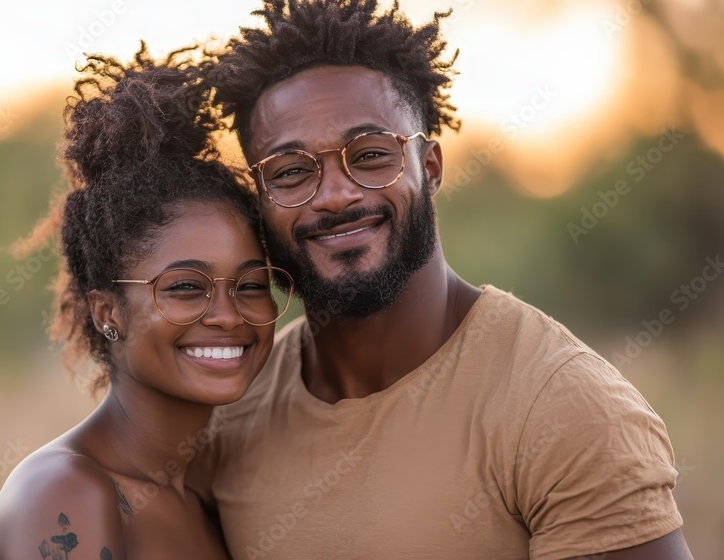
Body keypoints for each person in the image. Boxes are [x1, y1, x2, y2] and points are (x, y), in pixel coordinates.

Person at [187, 1, 693, 559]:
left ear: (430, 168)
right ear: (259, 202)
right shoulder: (228, 416)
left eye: (372, 155)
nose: (335, 194)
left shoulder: (562, 409)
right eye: (291, 171)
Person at [0, 47, 293, 559]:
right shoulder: (68, 493)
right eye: (186, 287)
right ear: (108, 312)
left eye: (252, 286)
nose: (230, 315)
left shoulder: (207, 498)